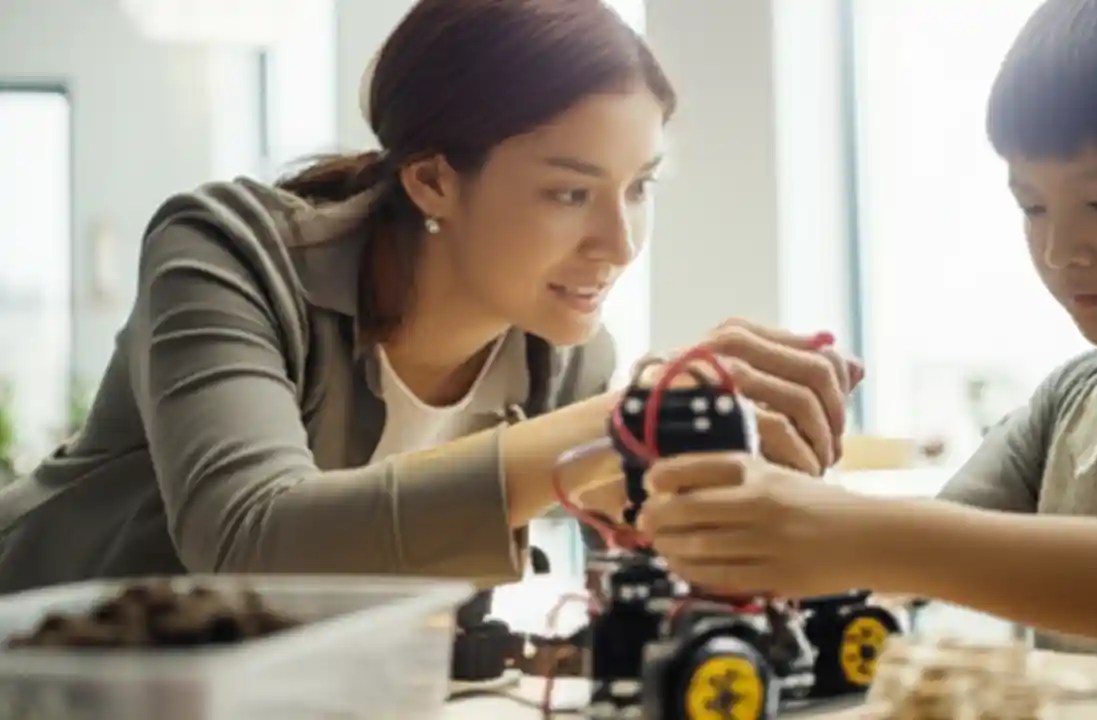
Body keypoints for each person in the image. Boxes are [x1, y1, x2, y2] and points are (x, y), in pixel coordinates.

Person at [0, 0, 861, 595]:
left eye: (639, 188)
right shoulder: (227, 252)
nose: (622, 243)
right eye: (569, 193)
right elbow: (249, 541)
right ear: (433, 180)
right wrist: (618, 421)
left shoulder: (559, 352)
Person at [638, 0, 1097, 668]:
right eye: (1032, 206)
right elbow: (923, 548)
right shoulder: (1071, 396)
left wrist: (843, 531)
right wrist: (773, 505)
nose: (1061, 250)